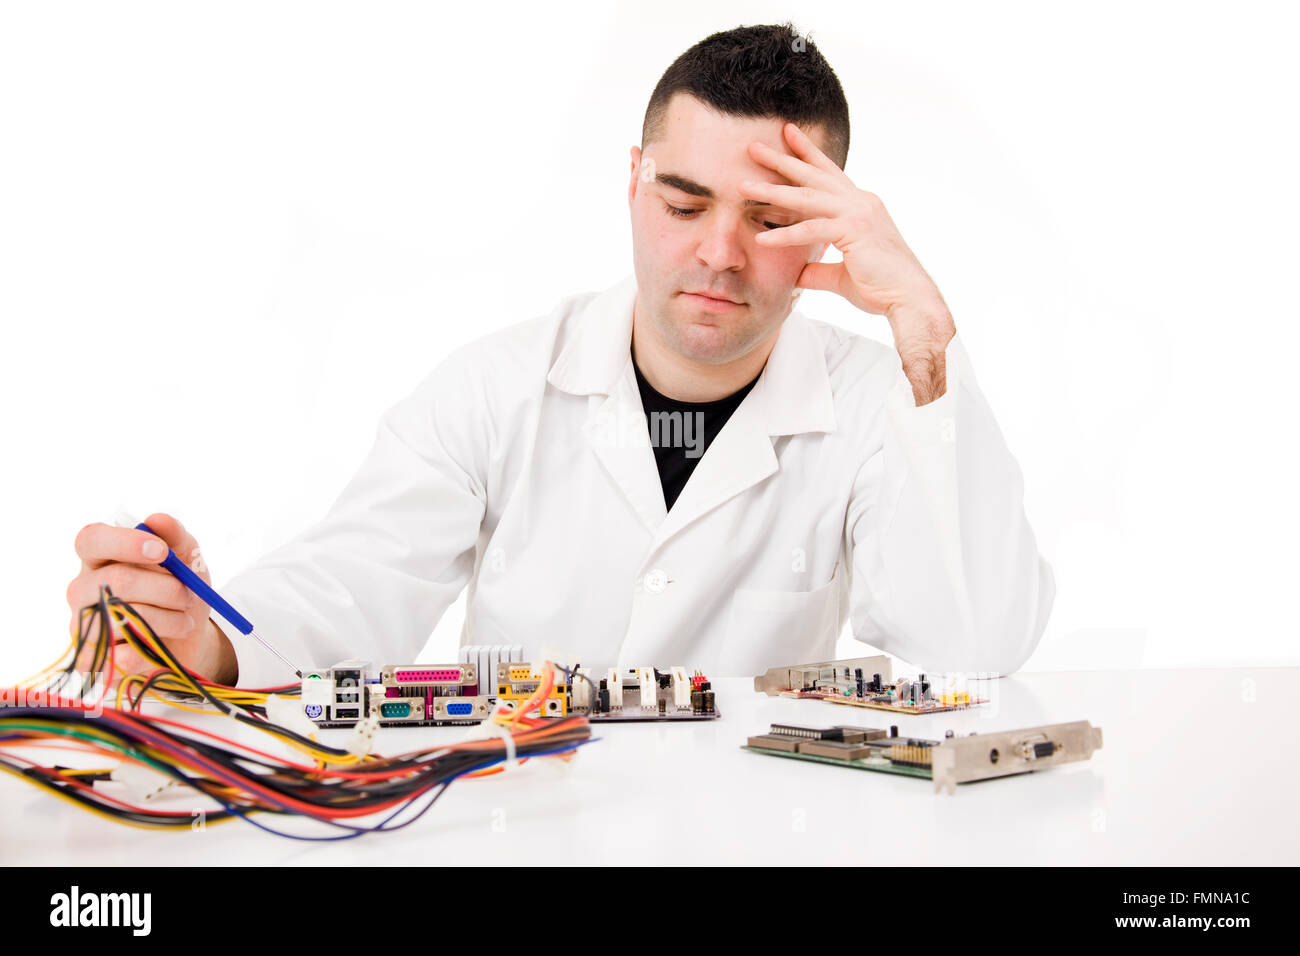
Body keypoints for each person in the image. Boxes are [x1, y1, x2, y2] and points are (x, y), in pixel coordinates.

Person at [65, 22, 1055, 687]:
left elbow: (974, 650)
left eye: (770, 217)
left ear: (831, 221)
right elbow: (354, 579)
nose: (719, 251)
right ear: (632, 179)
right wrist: (211, 643)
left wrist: (924, 333)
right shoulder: (495, 389)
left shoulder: (884, 405)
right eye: (684, 202)